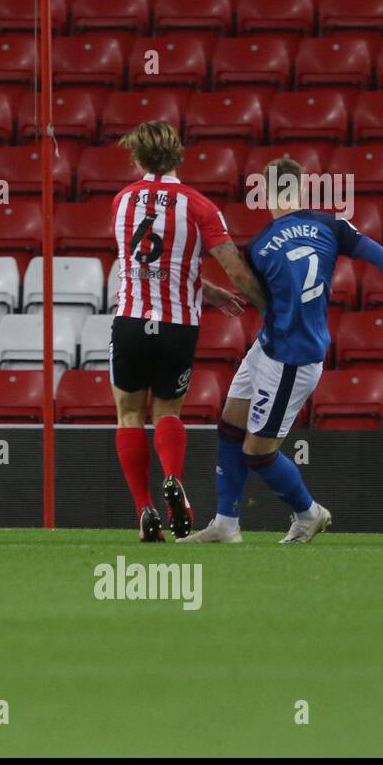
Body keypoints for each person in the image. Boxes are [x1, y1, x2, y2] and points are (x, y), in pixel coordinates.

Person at [180, 157, 383, 544]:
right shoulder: (331, 225)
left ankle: (309, 512)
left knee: (257, 451)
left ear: (265, 194)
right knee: (230, 426)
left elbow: (255, 291)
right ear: (303, 191)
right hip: (273, 346)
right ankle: (226, 524)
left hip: (290, 358)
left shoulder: (259, 245)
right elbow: (382, 257)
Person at [109, 120, 267, 542]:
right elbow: (234, 268)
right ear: (178, 155)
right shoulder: (198, 206)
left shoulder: (122, 202)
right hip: (177, 326)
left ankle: (144, 509)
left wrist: (208, 291)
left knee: (128, 414)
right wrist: (267, 305)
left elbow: (147, 265)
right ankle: (174, 480)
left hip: (129, 321)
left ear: (137, 156)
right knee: (167, 413)